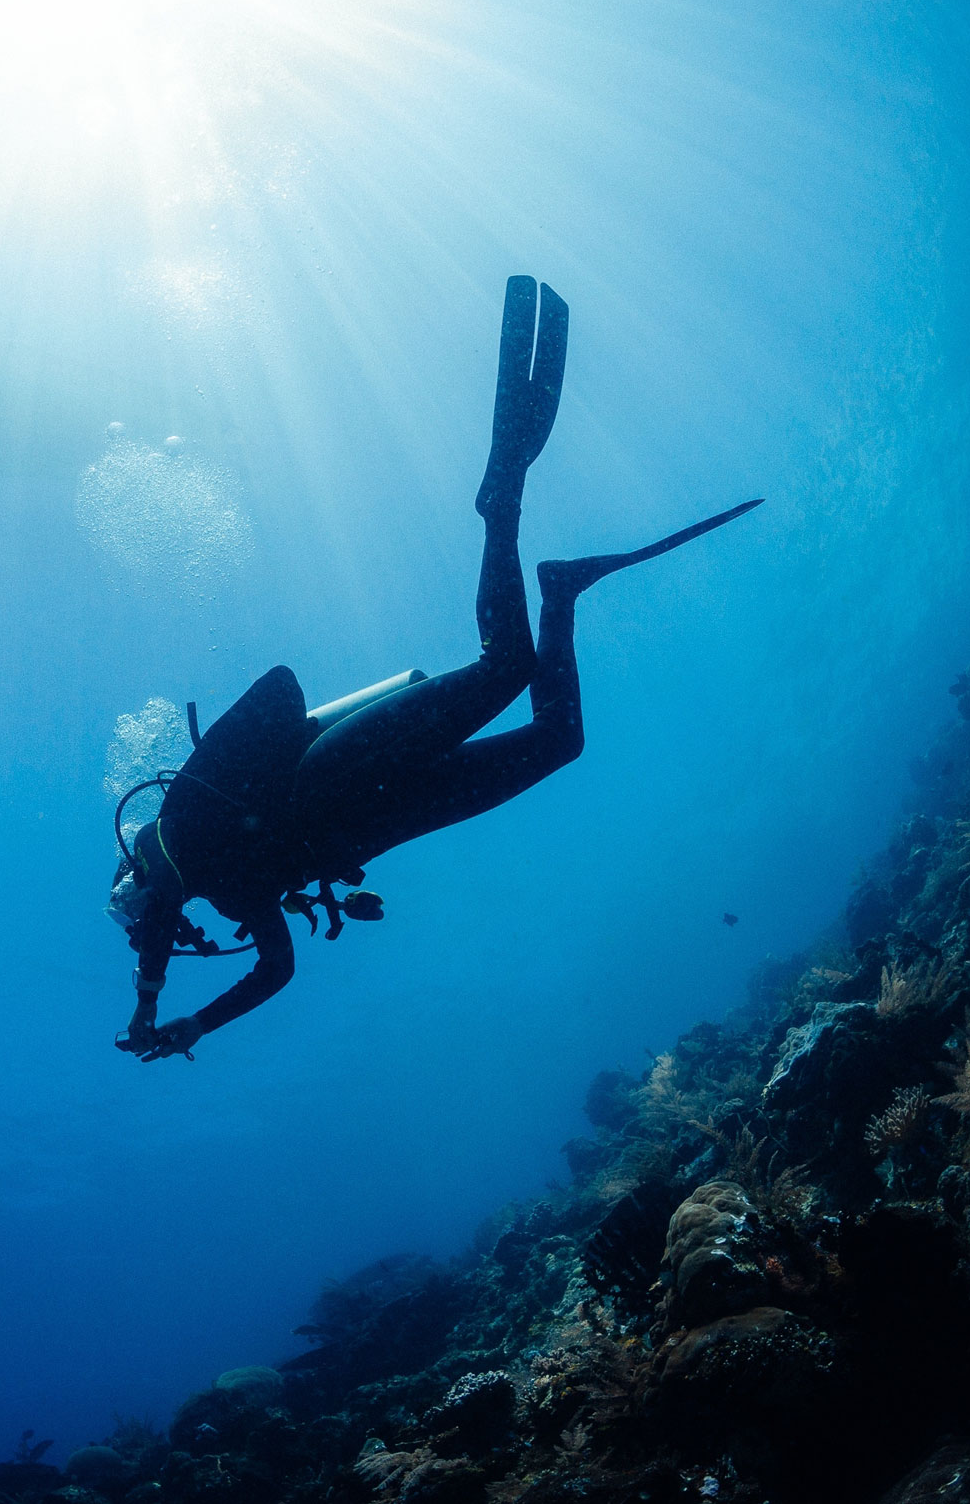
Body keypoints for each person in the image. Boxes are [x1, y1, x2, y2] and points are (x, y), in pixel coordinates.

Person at [106, 276, 759, 1062]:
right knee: (558, 742)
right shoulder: (238, 892)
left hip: (336, 771)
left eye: (146, 918)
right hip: (392, 816)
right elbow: (276, 971)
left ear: (141, 877)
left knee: (505, 667)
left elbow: (271, 702)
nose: (165, 931)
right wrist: (192, 1024)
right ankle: (560, 591)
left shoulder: (185, 818)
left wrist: (149, 1001)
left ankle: (500, 506)